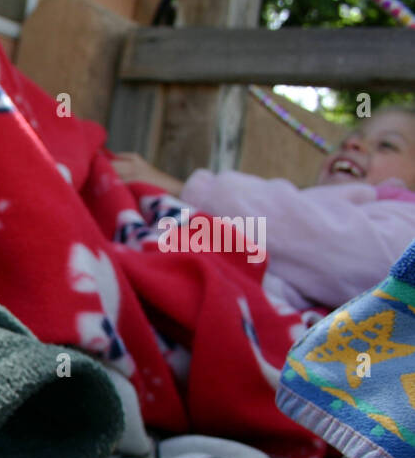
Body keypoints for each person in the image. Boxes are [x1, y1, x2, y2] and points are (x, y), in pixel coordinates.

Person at [111, 106, 415, 311]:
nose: (354, 146)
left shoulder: (406, 226)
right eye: (350, 140)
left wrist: (188, 190)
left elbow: (324, 241)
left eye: (386, 145)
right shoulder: (307, 205)